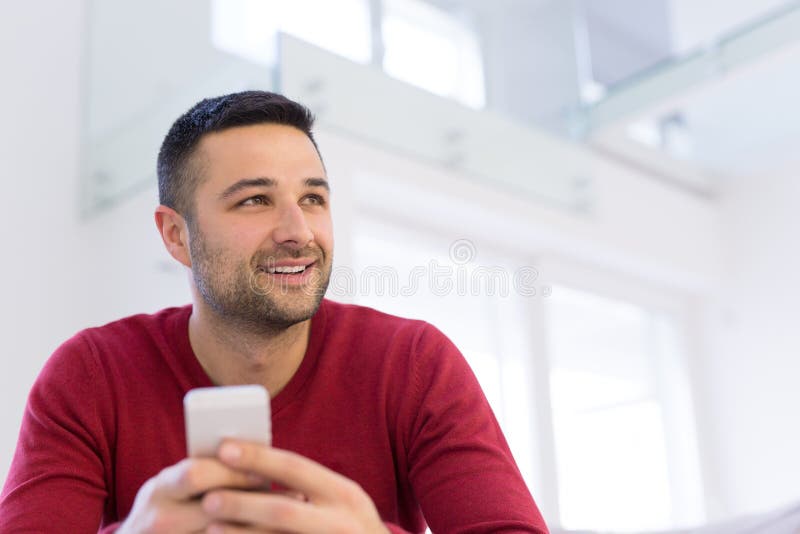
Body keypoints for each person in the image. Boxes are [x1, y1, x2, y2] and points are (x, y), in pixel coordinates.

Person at [0, 91, 549, 533]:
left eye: (313, 199)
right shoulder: (90, 375)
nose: (299, 232)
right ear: (175, 235)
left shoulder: (414, 364)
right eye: (254, 200)